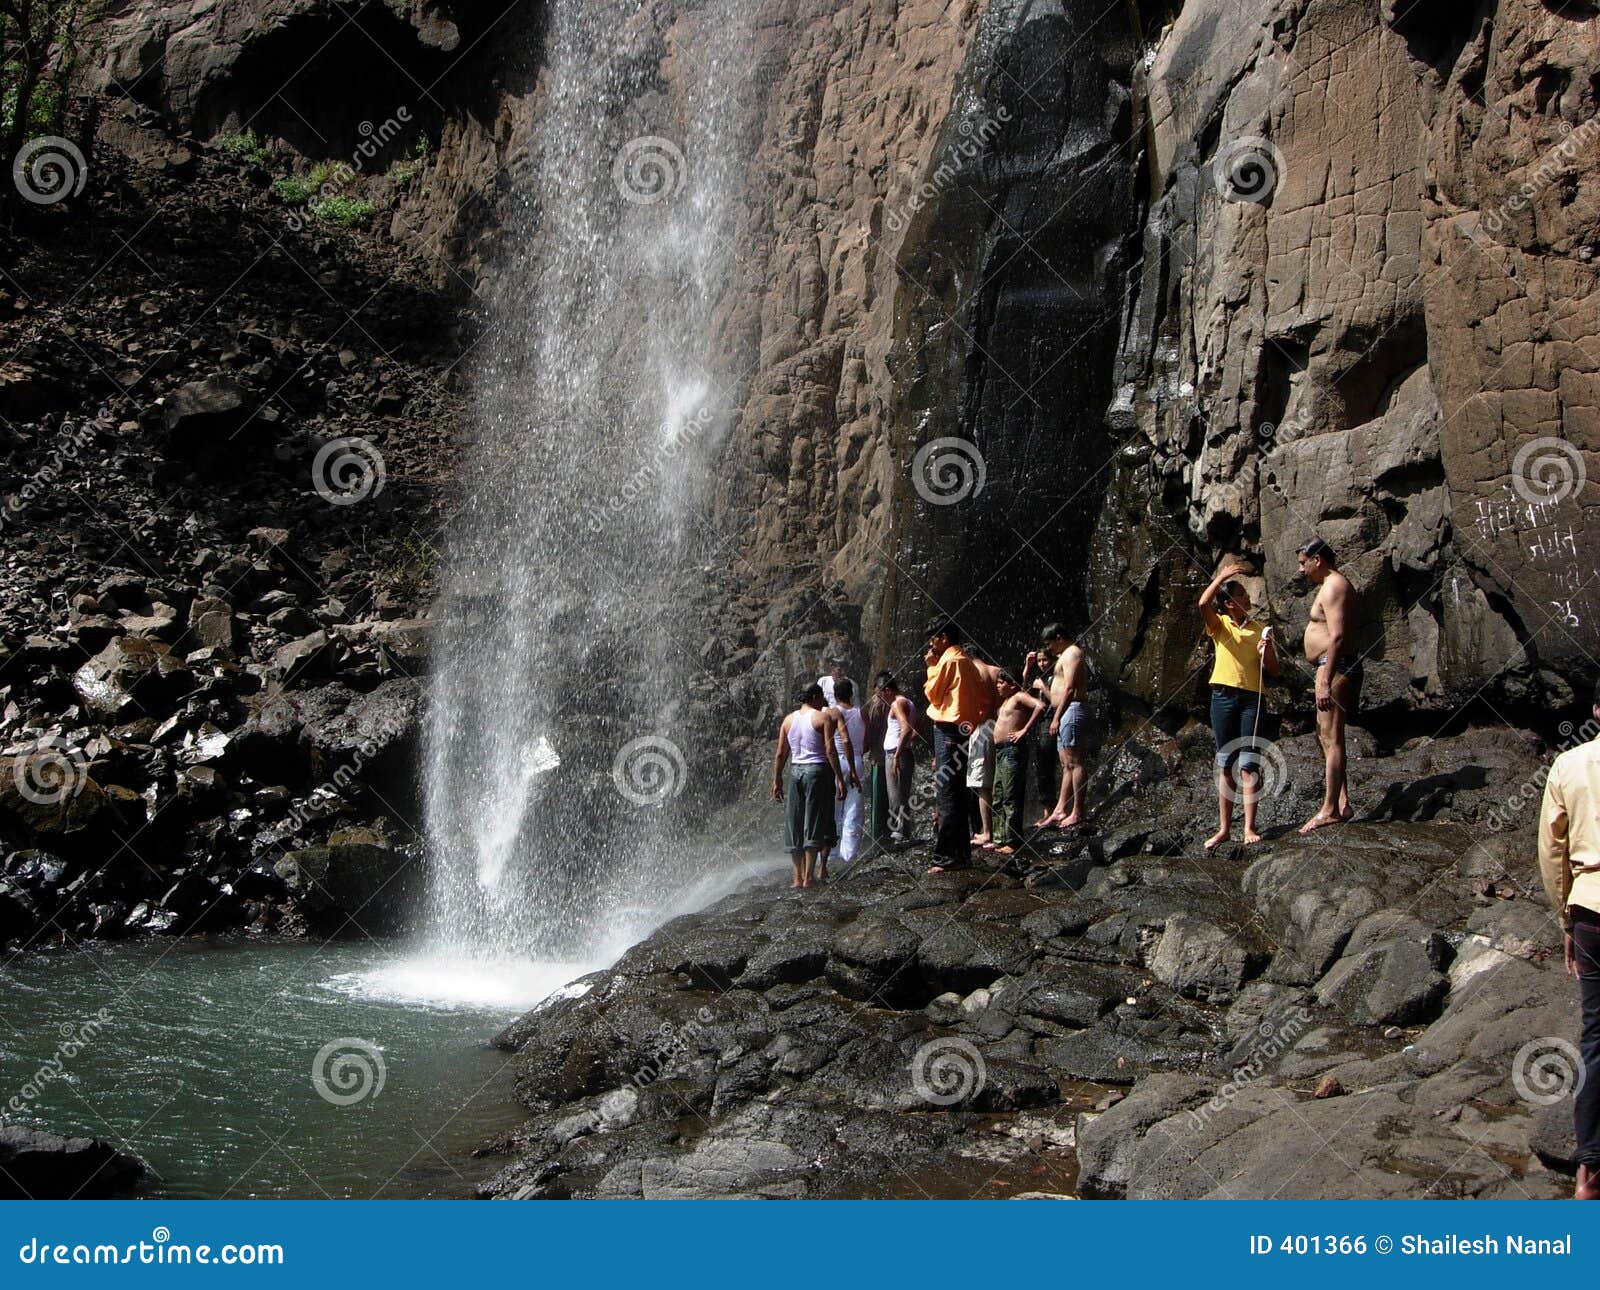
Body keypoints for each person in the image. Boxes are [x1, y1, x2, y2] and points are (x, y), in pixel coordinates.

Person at [1537, 679, 1600, 1199]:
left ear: (1598, 708)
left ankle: (1589, 1171)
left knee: (1597, 1036)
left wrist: (1564, 920)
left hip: (1591, 908)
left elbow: (1551, 852)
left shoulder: (1568, 765)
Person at [1199, 559, 1280, 849]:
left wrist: (1267, 650)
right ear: (1231, 603)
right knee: (1225, 762)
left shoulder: (1260, 629)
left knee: (1248, 762)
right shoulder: (1220, 626)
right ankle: (1223, 829)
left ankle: (1249, 827)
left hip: (1251, 697)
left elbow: (1273, 670)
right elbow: (1202, 603)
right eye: (1243, 594)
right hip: (1222, 696)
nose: (1248, 598)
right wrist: (1221, 576)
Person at [1296, 538, 1360, 834]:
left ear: (1317, 560)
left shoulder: (1334, 586)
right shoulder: (1330, 585)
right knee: (1327, 738)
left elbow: (1336, 637)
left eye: (1302, 562)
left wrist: (1324, 679)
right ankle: (1343, 802)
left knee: (1332, 738)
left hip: (1335, 668)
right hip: (1330, 668)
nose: (1300, 570)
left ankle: (1330, 810)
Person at [924, 621, 992, 873]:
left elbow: (932, 694)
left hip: (948, 730)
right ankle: (961, 854)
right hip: (962, 730)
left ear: (943, 638)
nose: (931, 644)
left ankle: (944, 857)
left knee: (947, 796)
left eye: (933, 638)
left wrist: (931, 667)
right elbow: (984, 699)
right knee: (958, 794)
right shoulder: (967, 662)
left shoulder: (949, 662)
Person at [771, 683, 851, 889]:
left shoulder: (788, 720)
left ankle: (796, 878)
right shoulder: (821, 718)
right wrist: (840, 779)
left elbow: (781, 753)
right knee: (814, 821)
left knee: (795, 822)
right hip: (817, 770)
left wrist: (777, 779)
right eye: (820, 698)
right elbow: (830, 750)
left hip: (796, 771)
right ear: (815, 697)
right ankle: (809, 877)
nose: (822, 702)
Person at [1033, 623, 1090, 829]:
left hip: (1071, 708)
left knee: (1074, 762)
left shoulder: (1073, 652)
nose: (1048, 649)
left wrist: (1056, 717)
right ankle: (1059, 810)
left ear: (1059, 638)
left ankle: (1077, 811)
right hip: (1066, 711)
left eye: (1050, 644)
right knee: (1067, 764)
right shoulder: (1065, 655)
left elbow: (1070, 688)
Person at [989, 670, 1045, 855]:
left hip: (1012, 751)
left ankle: (1013, 841)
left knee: (1011, 796)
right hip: (1000, 751)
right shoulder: (1007, 700)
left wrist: (1024, 730)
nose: (997, 686)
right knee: (998, 795)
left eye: (1000, 683)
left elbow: (1040, 705)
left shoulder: (1019, 696)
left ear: (1011, 684)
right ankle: (999, 838)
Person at [877, 672, 918, 845]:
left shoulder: (896, 704)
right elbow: (915, 729)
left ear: (887, 690)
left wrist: (896, 756)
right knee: (902, 794)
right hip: (903, 752)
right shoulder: (908, 702)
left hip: (896, 754)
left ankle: (898, 833)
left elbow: (907, 729)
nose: (879, 698)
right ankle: (904, 831)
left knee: (895, 796)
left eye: (879, 693)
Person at [1021, 645, 1061, 821]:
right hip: (1041, 725)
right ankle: (1048, 810)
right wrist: (1028, 667)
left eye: (1045, 660)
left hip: (1054, 722)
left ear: (1053, 660)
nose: (1042, 664)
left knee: (1050, 765)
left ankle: (1056, 809)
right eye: (1039, 661)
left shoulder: (1058, 677)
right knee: (1042, 766)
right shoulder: (1040, 677)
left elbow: (1058, 701)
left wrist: (1043, 688)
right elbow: (1020, 693)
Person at [966, 654, 1003, 847]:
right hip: (998, 726)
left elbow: (979, 706)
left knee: (982, 785)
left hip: (982, 729)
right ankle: (999, 830)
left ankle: (987, 831)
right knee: (997, 782)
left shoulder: (974, 674)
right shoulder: (997, 671)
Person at [831, 679, 868, 869]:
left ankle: (831, 853)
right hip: (858, 761)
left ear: (835, 695)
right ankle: (849, 854)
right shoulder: (861, 711)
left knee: (835, 810)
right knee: (853, 811)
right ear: (851, 693)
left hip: (838, 761)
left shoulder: (834, 712)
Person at [861, 685, 891, 855]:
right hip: (887, 756)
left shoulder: (877, 706)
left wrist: (863, 748)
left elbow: (870, 733)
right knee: (888, 798)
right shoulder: (889, 704)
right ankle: (885, 836)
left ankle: (878, 840)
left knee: (879, 800)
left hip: (880, 757)